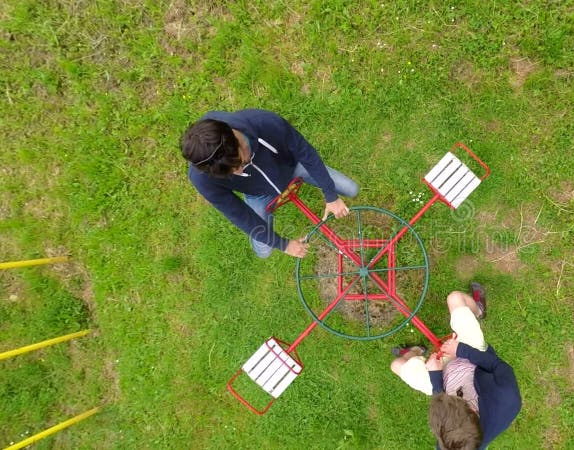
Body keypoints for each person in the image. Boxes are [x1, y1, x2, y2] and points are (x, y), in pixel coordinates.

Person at [180, 109, 358, 258]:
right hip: (258, 193)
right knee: (264, 249)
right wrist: (282, 244)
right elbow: (239, 215)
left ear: (236, 142)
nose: (239, 172)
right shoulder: (201, 177)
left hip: (291, 167)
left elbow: (306, 153)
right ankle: (265, 229)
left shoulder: (263, 122)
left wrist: (330, 195)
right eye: (230, 174)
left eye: (239, 164)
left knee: (351, 188)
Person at [390, 283, 521, 450]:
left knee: (397, 365)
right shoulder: (507, 398)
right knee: (455, 299)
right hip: (474, 361)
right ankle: (478, 309)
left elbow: (441, 404)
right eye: (456, 397)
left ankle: (414, 352)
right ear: (473, 411)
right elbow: (494, 364)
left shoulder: (447, 442)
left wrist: (436, 377)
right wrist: (461, 350)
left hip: (443, 378)